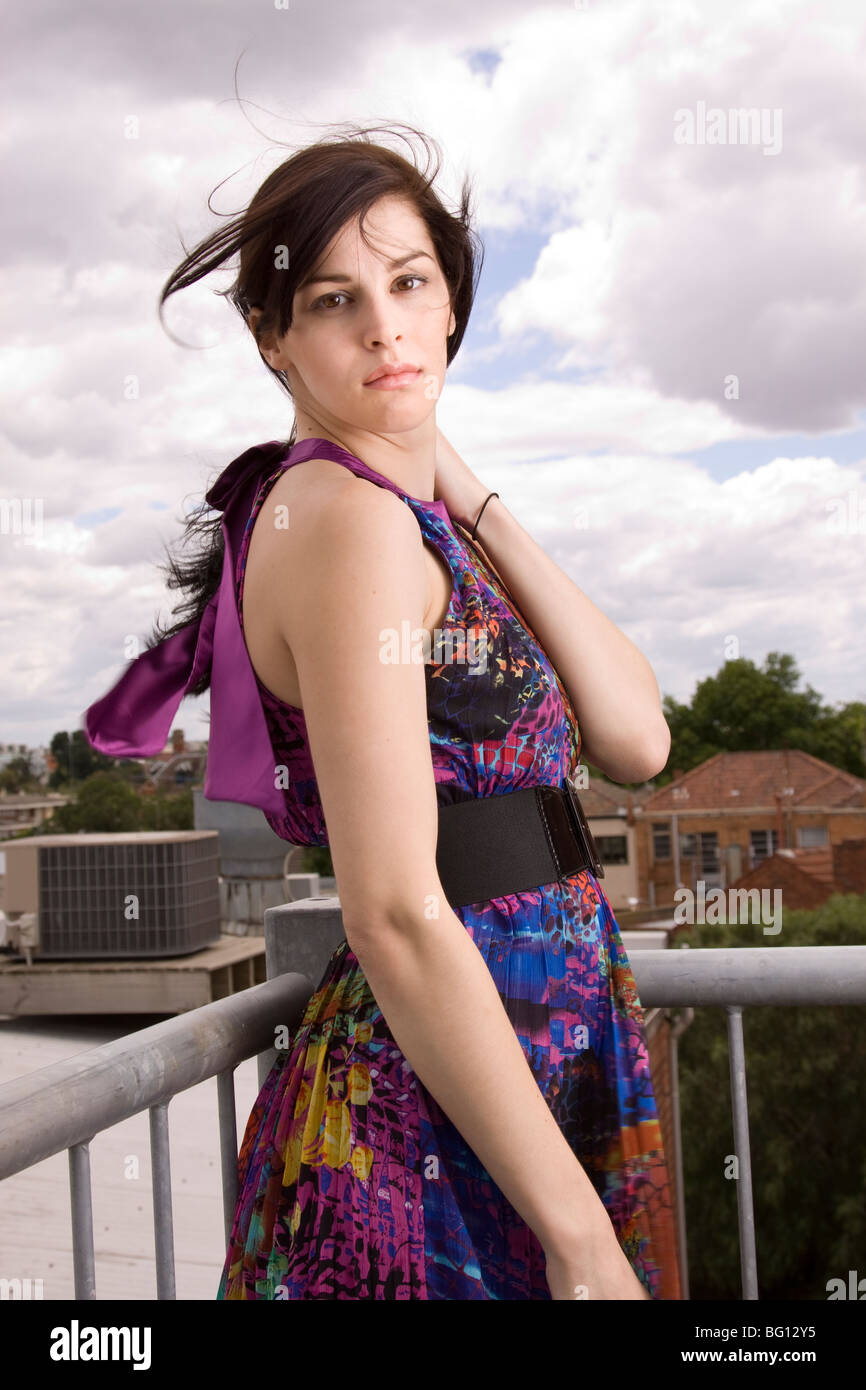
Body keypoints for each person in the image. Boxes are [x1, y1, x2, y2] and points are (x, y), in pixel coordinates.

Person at [84, 124, 681, 1300]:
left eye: (409, 284)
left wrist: (461, 480)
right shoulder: (347, 522)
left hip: (528, 1054)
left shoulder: (406, 515)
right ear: (273, 339)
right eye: (332, 300)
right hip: (437, 1103)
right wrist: (578, 1238)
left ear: (450, 300)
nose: (383, 327)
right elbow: (399, 907)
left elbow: (635, 739)